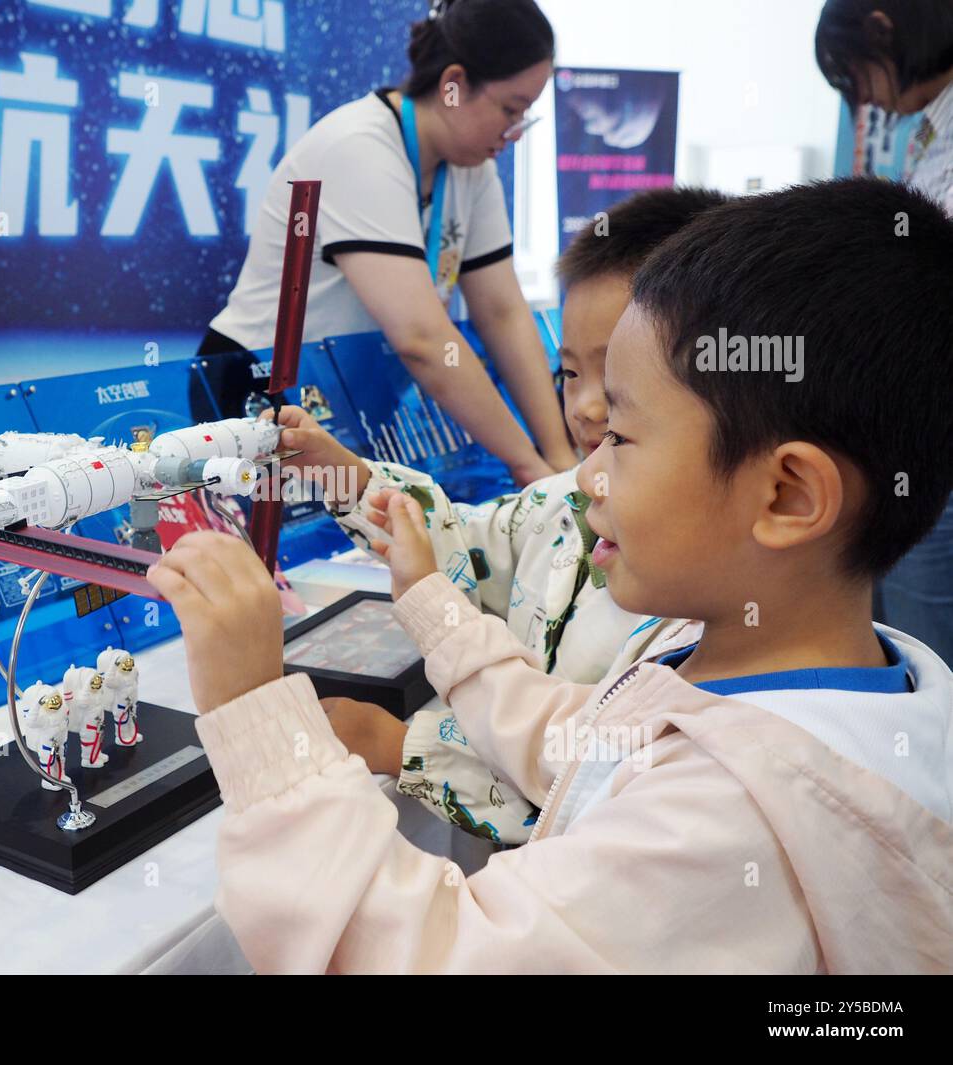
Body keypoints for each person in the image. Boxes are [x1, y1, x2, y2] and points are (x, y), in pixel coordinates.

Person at [148, 178, 953, 973]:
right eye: (574, 380)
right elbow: (575, 737)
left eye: (625, 437)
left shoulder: (722, 818)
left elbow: (427, 957)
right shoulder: (759, 664)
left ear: (786, 495)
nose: (588, 474)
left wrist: (255, 713)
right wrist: (429, 602)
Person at [269, 187, 731, 845]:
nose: (589, 408)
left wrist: (402, 744)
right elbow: (460, 538)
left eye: (620, 379)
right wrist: (340, 472)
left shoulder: (695, 604)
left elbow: (576, 770)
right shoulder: (564, 497)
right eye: (570, 373)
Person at [201, 0, 578, 484]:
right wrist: (528, 466)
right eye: (511, 109)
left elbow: (502, 312)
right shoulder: (359, 147)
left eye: (525, 114)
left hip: (343, 404)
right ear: (454, 85)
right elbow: (421, 339)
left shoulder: (472, 171)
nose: (515, 133)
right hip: (258, 391)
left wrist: (559, 460)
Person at [816, 0, 953, 665]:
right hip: (922, 414)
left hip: (932, 418)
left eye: (854, 75)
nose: (866, 99)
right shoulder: (932, 122)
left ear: (881, 29)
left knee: (926, 642)